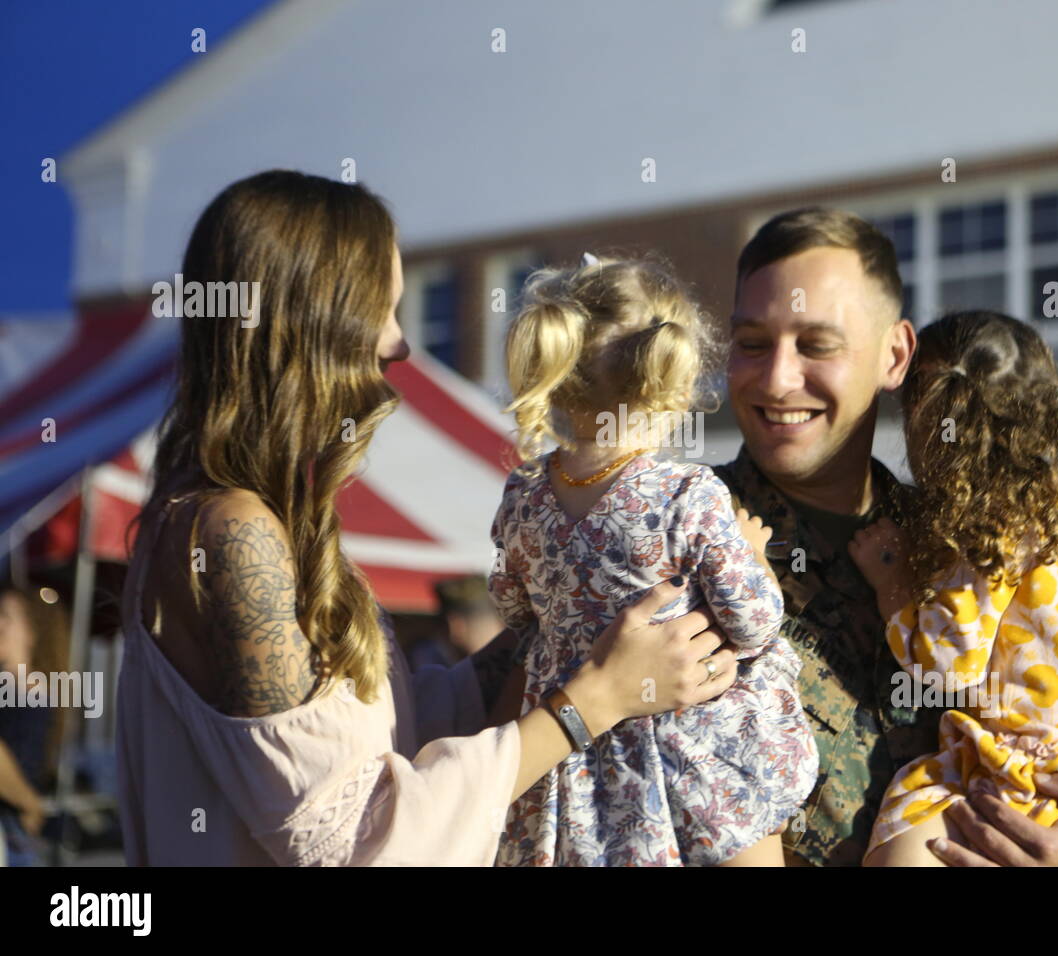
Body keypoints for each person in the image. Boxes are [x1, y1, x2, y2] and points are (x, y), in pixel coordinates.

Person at [116, 170, 740, 866]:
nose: (398, 344)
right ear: (317, 318)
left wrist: (571, 619)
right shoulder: (233, 532)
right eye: (382, 311)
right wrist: (591, 702)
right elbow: (342, 839)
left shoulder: (250, 516)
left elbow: (388, 735)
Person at [713, 206, 1058, 865]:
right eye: (753, 342)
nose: (778, 378)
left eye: (816, 344)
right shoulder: (679, 541)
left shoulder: (976, 536)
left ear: (896, 357)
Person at [490, 254, 818, 866]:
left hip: (572, 756)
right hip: (688, 747)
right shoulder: (686, 496)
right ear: (673, 380)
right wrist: (755, 559)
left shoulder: (524, 494)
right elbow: (751, 623)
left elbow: (512, 606)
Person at [847, 310, 1058, 865]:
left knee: (903, 851)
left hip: (1016, 778)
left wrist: (891, 585)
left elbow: (947, 666)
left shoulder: (994, 522)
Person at [0, 587, 68, 867]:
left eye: (5, 616)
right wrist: (32, 805)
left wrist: (28, 805)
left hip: (10, 828)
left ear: (32, 631)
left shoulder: (31, 694)